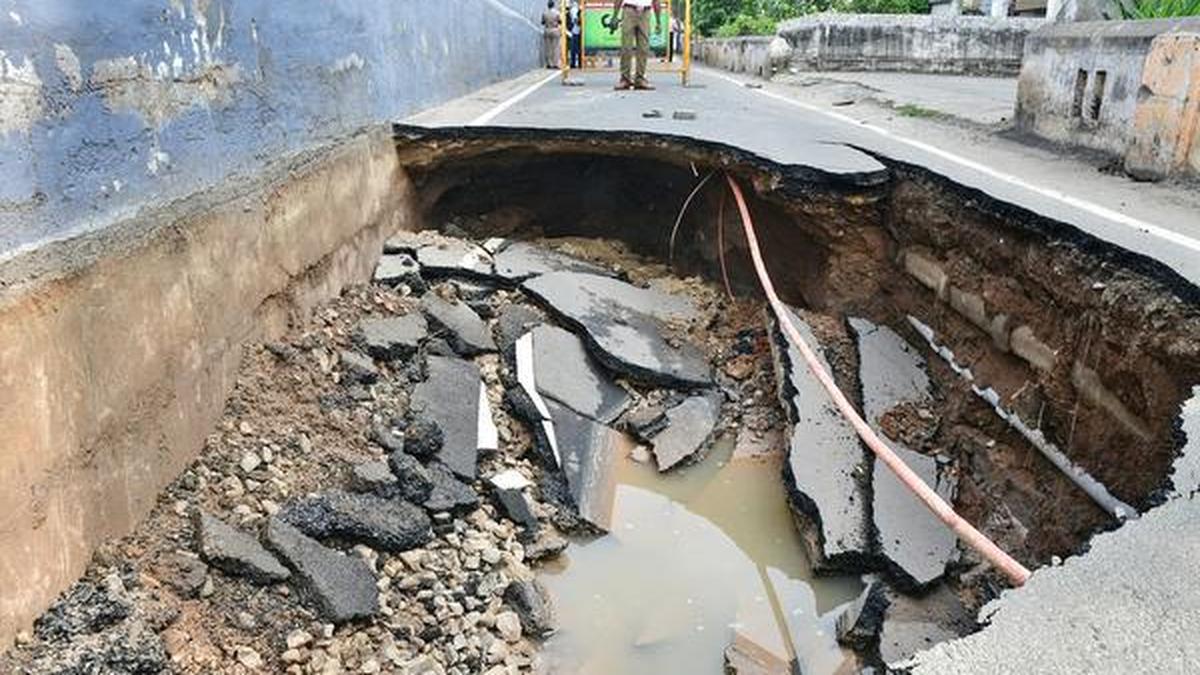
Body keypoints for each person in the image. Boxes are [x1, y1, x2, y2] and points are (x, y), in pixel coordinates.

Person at [611, 0, 662, 90]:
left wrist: (658, 21)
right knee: (626, 47)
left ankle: (640, 78)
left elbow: (656, 1)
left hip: (645, 12)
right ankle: (625, 79)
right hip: (629, 10)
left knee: (643, 47)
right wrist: (615, 16)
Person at [541, 1, 562, 69]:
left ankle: (549, 63)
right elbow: (560, 21)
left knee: (548, 48)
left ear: (548, 6)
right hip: (555, 30)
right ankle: (555, 64)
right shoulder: (557, 13)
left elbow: (542, 22)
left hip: (547, 30)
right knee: (556, 48)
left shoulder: (544, 13)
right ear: (553, 5)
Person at [567, 1, 582, 69]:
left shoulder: (572, 10)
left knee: (573, 49)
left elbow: (574, 20)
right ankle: (579, 63)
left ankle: (573, 63)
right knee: (578, 49)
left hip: (574, 32)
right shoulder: (578, 10)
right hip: (577, 32)